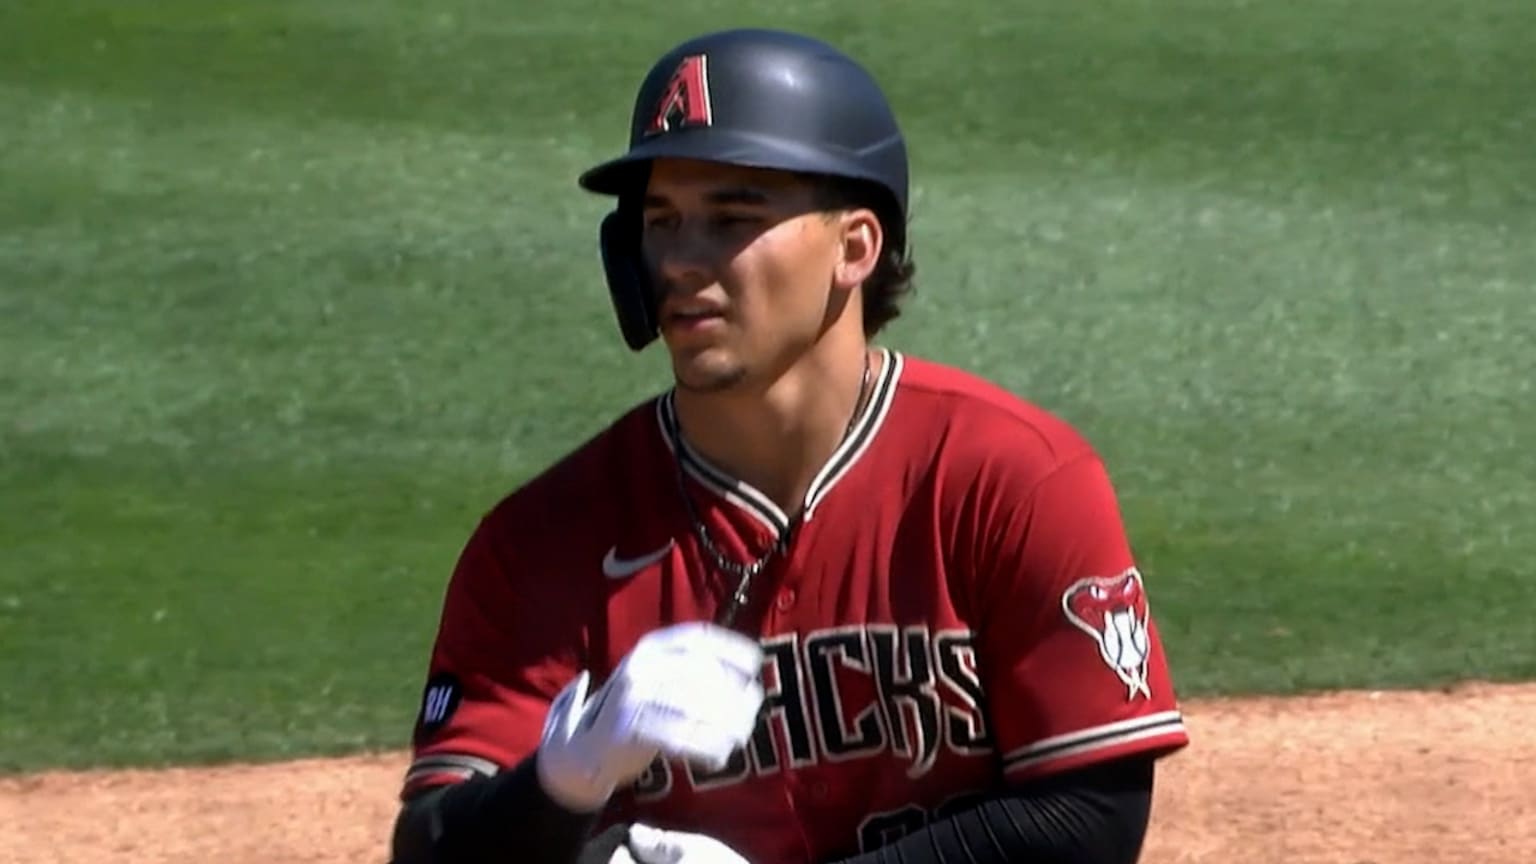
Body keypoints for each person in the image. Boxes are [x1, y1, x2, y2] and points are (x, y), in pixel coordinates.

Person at [389, 27, 1190, 864]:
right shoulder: (540, 543)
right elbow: (430, 851)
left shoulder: (1007, 478)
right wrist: (562, 778)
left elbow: (1088, 822)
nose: (682, 263)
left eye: (732, 218)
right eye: (662, 222)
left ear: (855, 248)